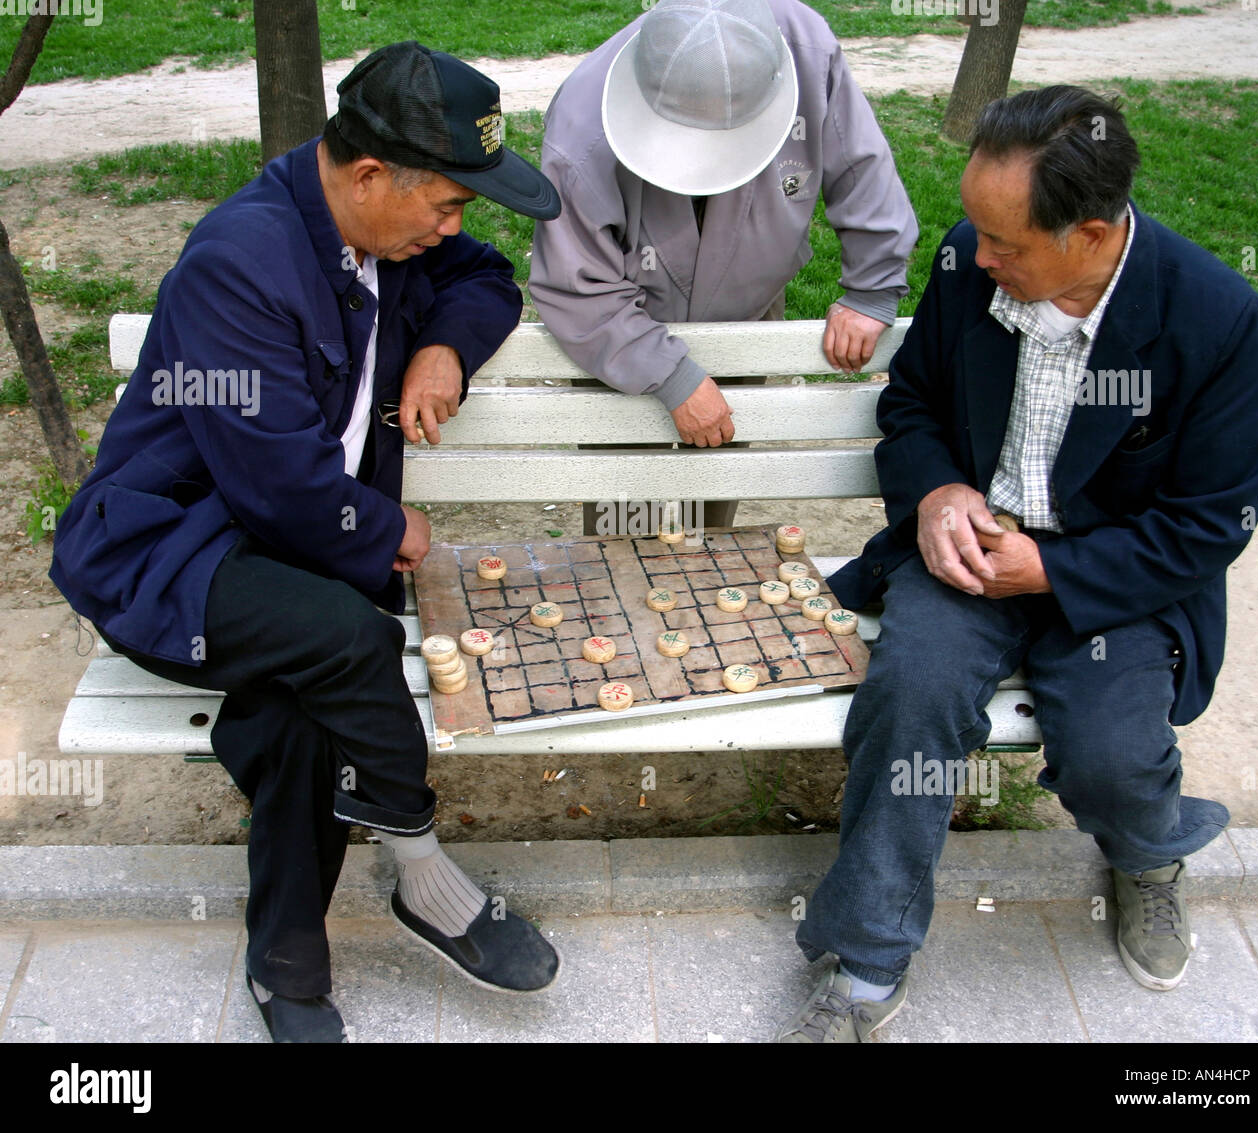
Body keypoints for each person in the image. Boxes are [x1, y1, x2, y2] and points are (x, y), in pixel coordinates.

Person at [49, 42, 563, 1043]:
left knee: (296, 713)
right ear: (370, 174)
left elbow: (488, 277)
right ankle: (421, 867)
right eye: (449, 204)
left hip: (290, 559)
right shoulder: (240, 261)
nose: (455, 226)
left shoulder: (384, 229)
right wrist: (391, 528)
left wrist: (443, 347)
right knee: (350, 640)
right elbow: (281, 488)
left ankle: (287, 969)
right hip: (175, 556)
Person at [776, 85, 1258, 1043]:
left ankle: (1147, 855)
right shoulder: (977, 258)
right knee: (910, 699)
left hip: (1113, 579)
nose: (977, 255)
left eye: (1004, 243)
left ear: (1089, 235)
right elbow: (912, 404)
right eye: (975, 230)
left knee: (1113, 755)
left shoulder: (1212, 317)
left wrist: (1052, 573)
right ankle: (868, 957)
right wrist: (936, 496)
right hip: (968, 554)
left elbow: (1213, 522)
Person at [529, 0, 917, 534]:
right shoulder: (581, 127)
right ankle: (621, 572)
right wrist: (669, 376)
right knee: (621, 514)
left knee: (712, 517)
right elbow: (576, 286)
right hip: (617, 337)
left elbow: (860, 164)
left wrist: (872, 288)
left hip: (746, 314)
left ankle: (707, 569)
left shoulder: (806, 45)